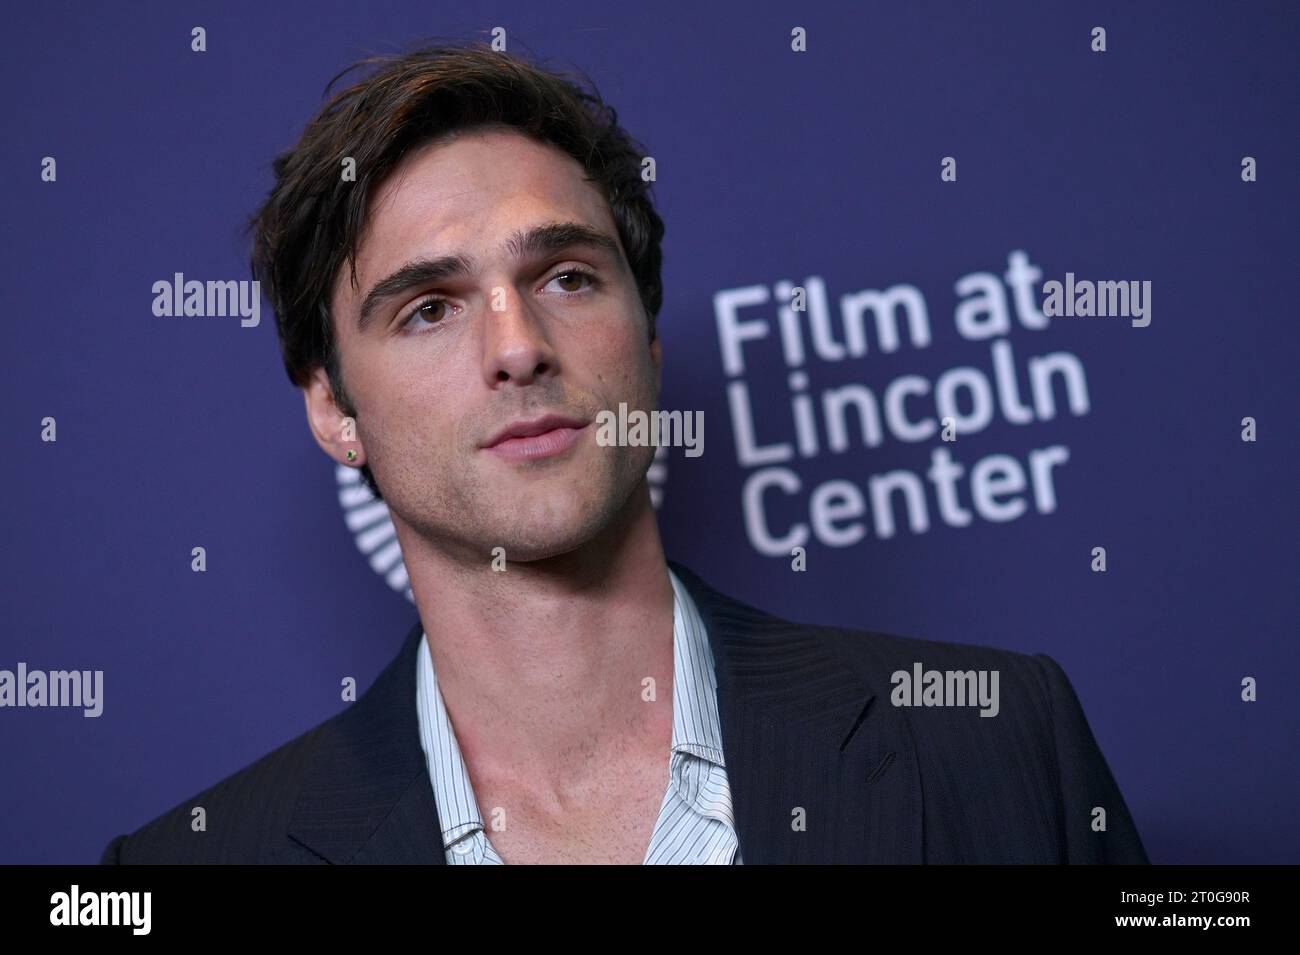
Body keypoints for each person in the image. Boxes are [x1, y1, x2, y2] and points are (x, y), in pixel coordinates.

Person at [100, 40, 1147, 865]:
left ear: (644, 341)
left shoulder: (1002, 746)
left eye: (565, 277)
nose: (516, 348)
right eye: (427, 308)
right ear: (333, 408)